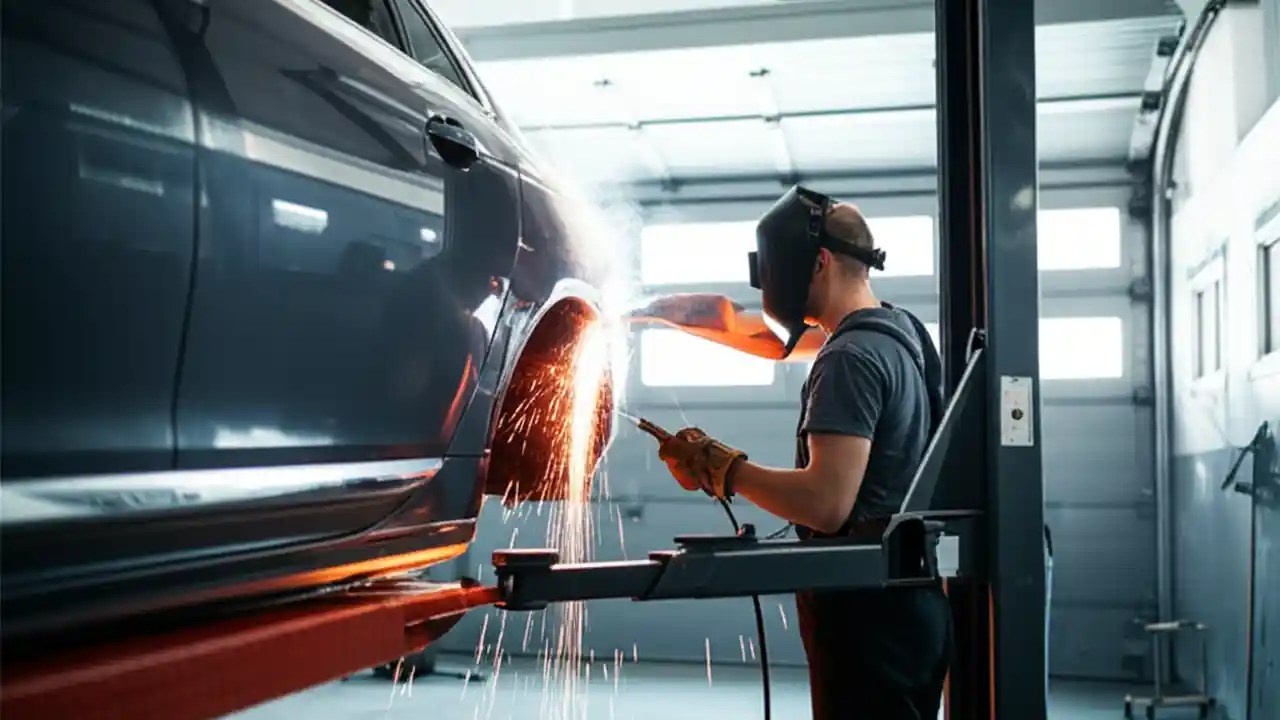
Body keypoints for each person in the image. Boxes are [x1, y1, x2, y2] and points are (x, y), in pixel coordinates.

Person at [643, 186, 953, 720]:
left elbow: (826, 503)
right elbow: (761, 335)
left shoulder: (847, 360)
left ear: (821, 262)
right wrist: (659, 311)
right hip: (910, 610)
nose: (773, 283)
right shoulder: (899, 334)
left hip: (866, 619)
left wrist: (723, 468)